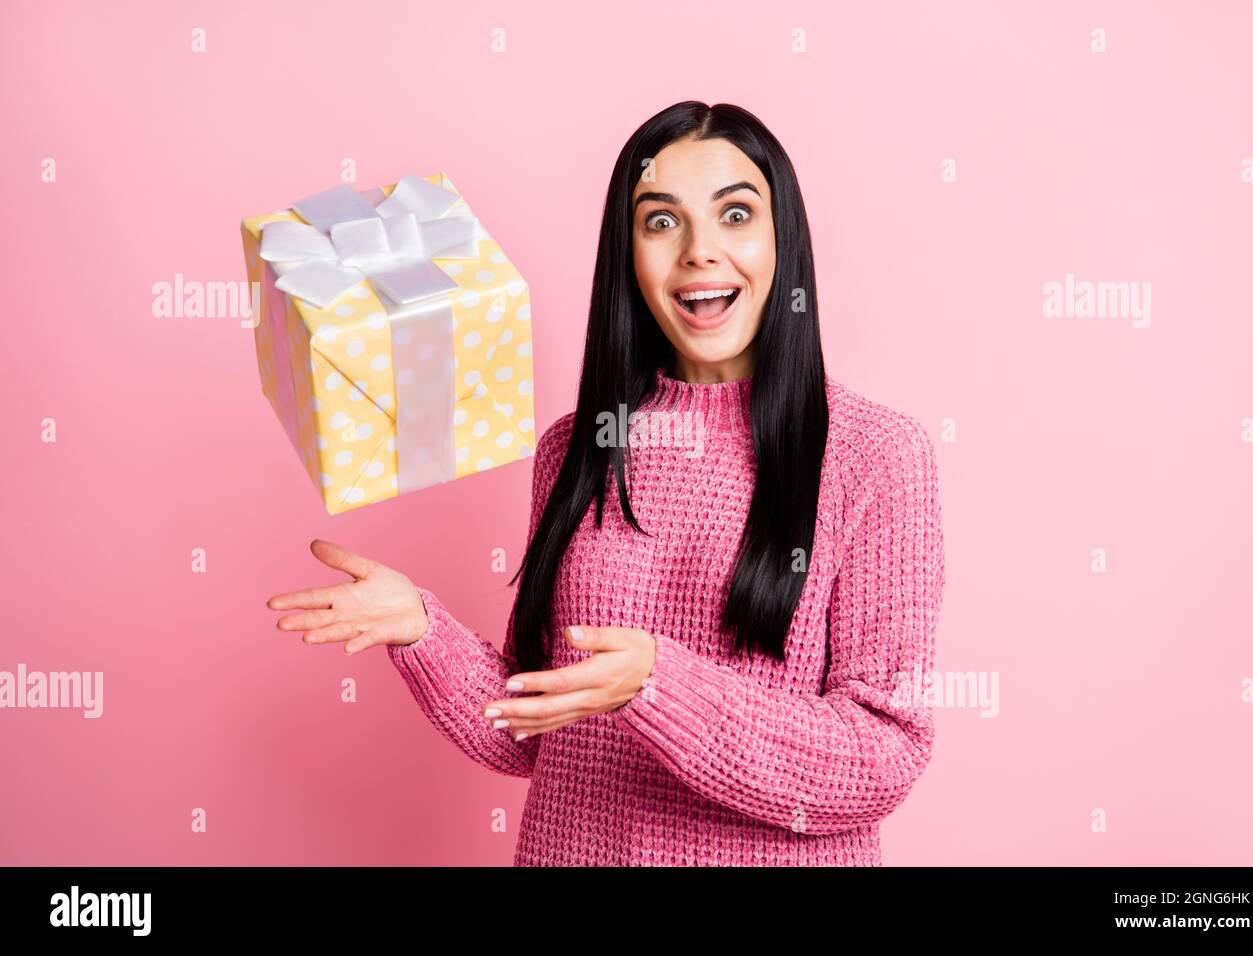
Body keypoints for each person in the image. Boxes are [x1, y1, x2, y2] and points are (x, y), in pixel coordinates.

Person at [267, 100, 945, 866]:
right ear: (628, 256)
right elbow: (539, 732)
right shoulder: (576, 448)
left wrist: (656, 686)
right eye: (662, 221)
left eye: (735, 215)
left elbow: (882, 756)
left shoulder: (875, 455)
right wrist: (422, 630)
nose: (700, 251)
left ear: (783, 240)